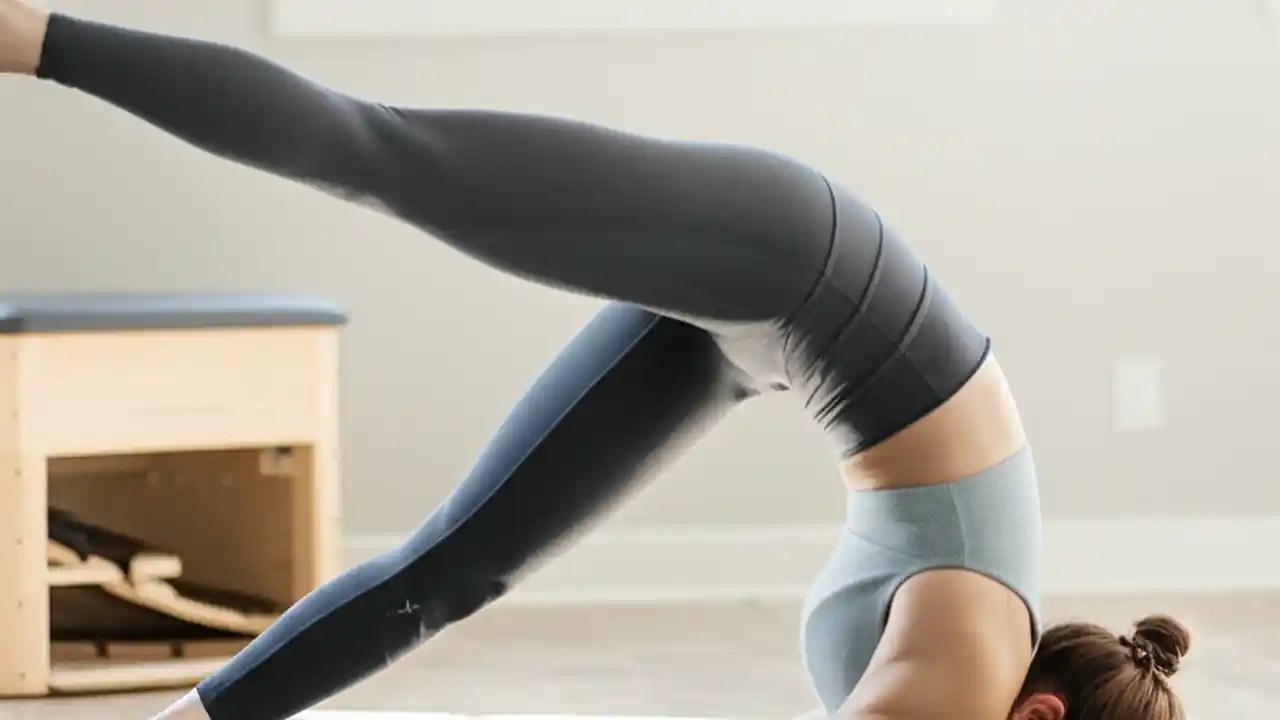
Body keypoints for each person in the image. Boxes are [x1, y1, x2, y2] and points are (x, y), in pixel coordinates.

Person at [0, 4, 1193, 719]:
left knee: (456, 570)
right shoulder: (952, 692)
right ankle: (30, 33)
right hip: (805, 267)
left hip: (775, 345)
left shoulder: (985, 680)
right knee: (388, 156)